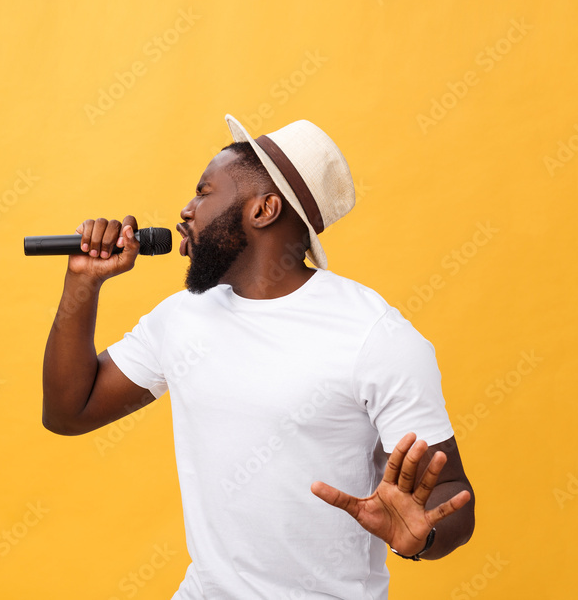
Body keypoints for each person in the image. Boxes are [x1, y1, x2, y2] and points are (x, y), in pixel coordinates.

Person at [42, 114, 475, 599]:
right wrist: (82, 282)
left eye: (204, 193)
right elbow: (69, 411)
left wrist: (423, 537)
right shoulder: (183, 316)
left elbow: (450, 493)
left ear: (264, 209)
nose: (185, 210)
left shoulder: (375, 336)